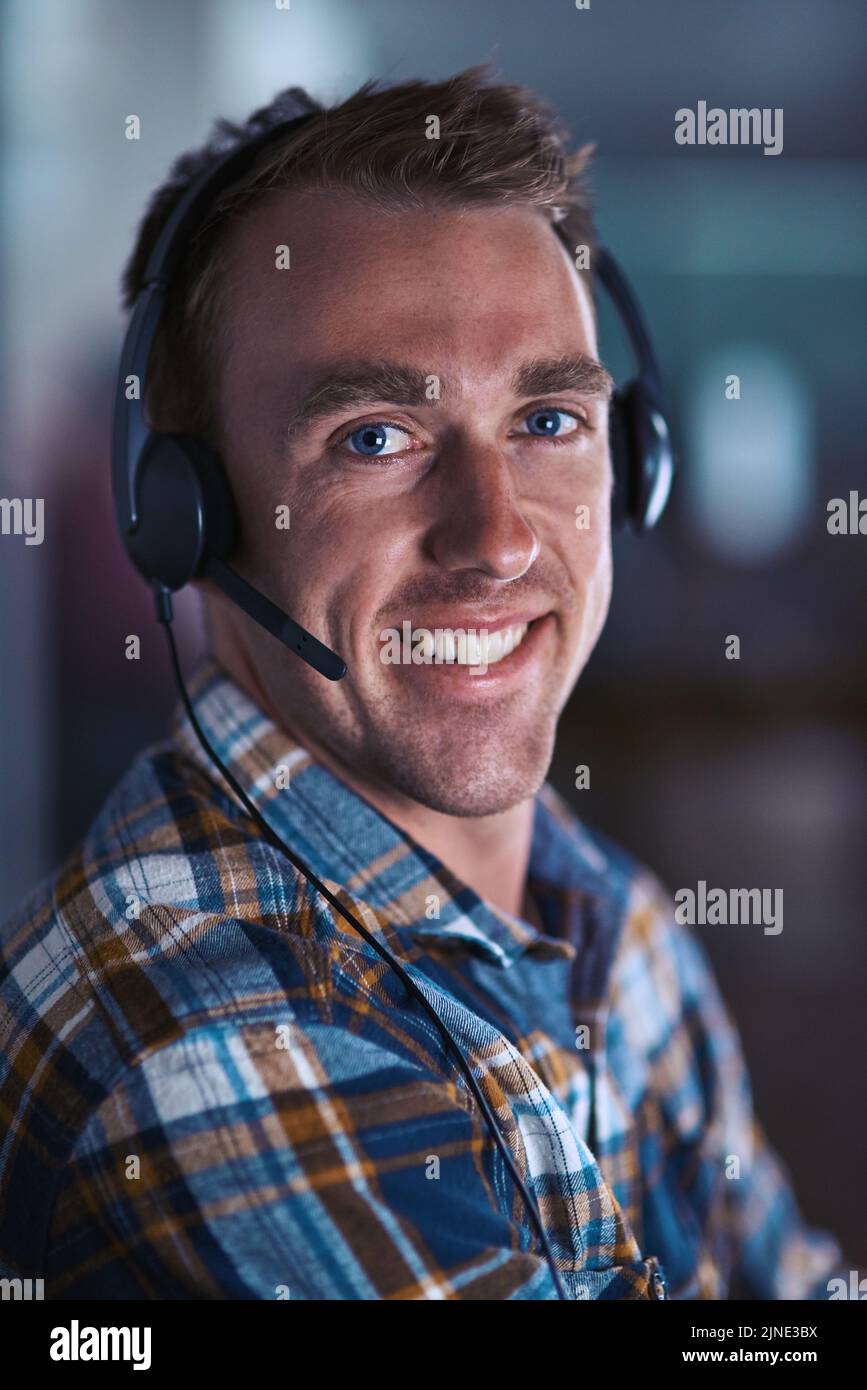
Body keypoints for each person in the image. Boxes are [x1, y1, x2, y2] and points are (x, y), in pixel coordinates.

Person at [0, 67, 848, 1300]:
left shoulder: (600, 910)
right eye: (376, 439)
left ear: (636, 458)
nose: (498, 537)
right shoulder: (208, 1043)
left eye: (549, 420)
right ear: (184, 516)